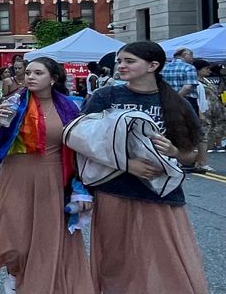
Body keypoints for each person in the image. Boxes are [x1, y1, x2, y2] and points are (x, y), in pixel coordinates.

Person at [78, 41, 209, 294]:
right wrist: (127, 164)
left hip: (161, 193)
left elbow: (191, 155)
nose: (121, 66)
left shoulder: (176, 103)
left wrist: (174, 152)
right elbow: (81, 141)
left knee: (165, 261)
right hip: (114, 189)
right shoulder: (106, 96)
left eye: (129, 61)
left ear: (153, 66)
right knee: (116, 260)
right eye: (120, 61)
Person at [0, 58, 94, 294]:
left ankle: (39, 283)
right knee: (14, 235)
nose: (30, 77)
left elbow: (80, 149)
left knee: (47, 234)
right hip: (17, 174)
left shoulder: (70, 108)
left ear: (53, 78)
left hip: (53, 176)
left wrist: (81, 187)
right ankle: (15, 271)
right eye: (28, 72)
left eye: (38, 73)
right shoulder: (14, 102)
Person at [192, 58, 224, 171]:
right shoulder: (195, 82)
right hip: (205, 112)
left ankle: (200, 161)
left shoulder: (206, 80)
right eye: (206, 69)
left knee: (208, 138)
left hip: (215, 112)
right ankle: (200, 162)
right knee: (203, 138)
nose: (209, 71)